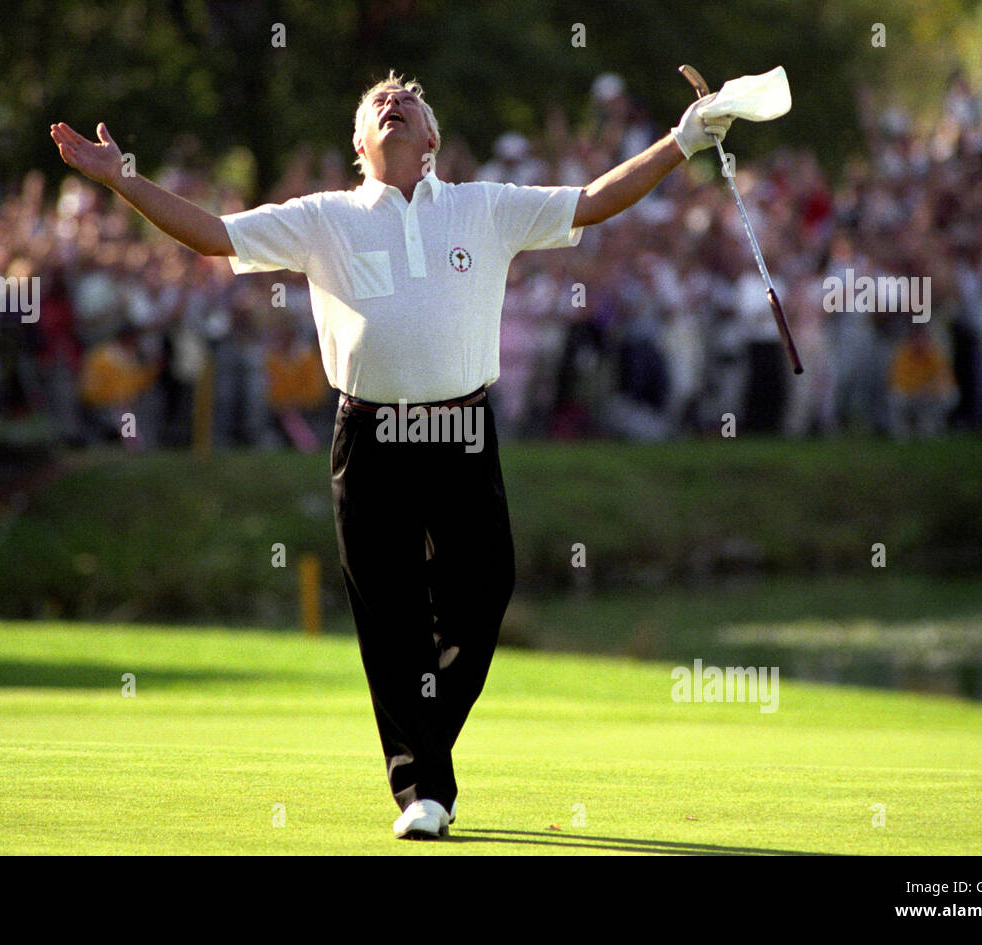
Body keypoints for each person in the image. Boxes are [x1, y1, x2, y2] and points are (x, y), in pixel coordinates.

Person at [50, 70, 733, 840]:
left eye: (406, 100)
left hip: (462, 432)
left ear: (431, 138)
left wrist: (683, 140)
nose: (391, 103)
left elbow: (596, 199)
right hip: (370, 437)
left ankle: (423, 736)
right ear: (358, 143)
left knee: (482, 598)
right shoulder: (323, 218)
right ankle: (422, 792)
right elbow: (212, 234)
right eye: (377, 103)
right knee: (393, 617)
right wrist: (125, 180)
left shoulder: (486, 206)